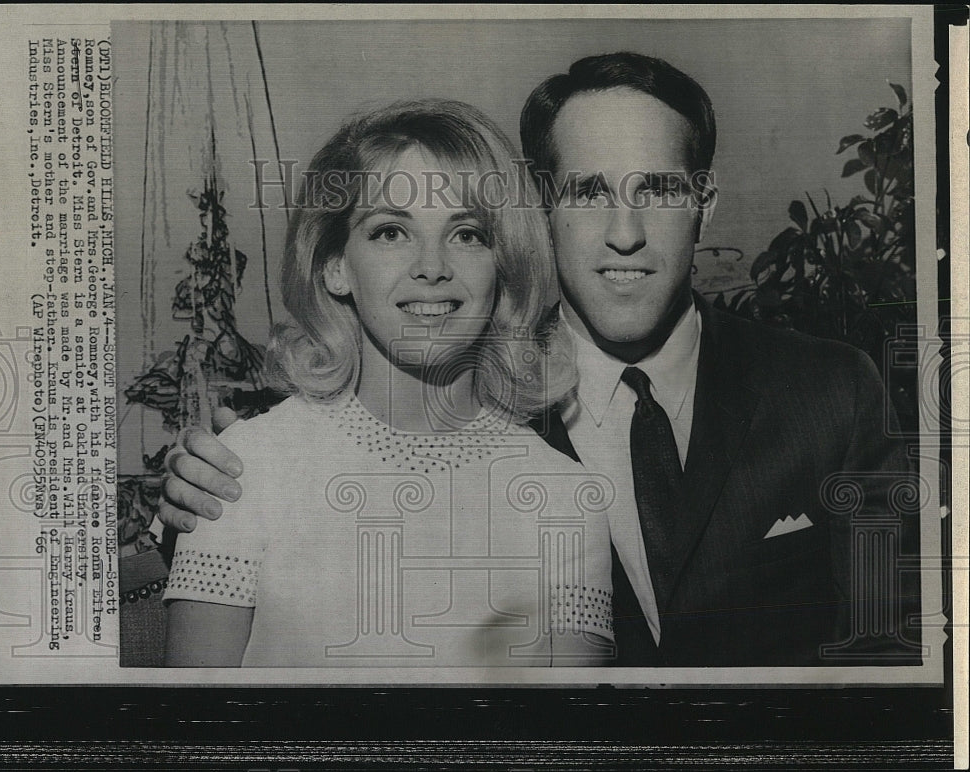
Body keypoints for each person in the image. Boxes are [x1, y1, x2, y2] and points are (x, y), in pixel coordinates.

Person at [159, 54, 921, 667]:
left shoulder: (831, 391)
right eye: (588, 191)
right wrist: (197, 501)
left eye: (656, 189)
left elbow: (902, 654)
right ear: (543, 207)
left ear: (706, 204)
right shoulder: (480, 390)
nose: (626, 233)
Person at [161, 99, 616, 667]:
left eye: (468, 234)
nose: (431, 267)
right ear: (335, 266)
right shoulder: (240, 470)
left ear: (506, 264)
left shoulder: (567, 499)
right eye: (390, 232)